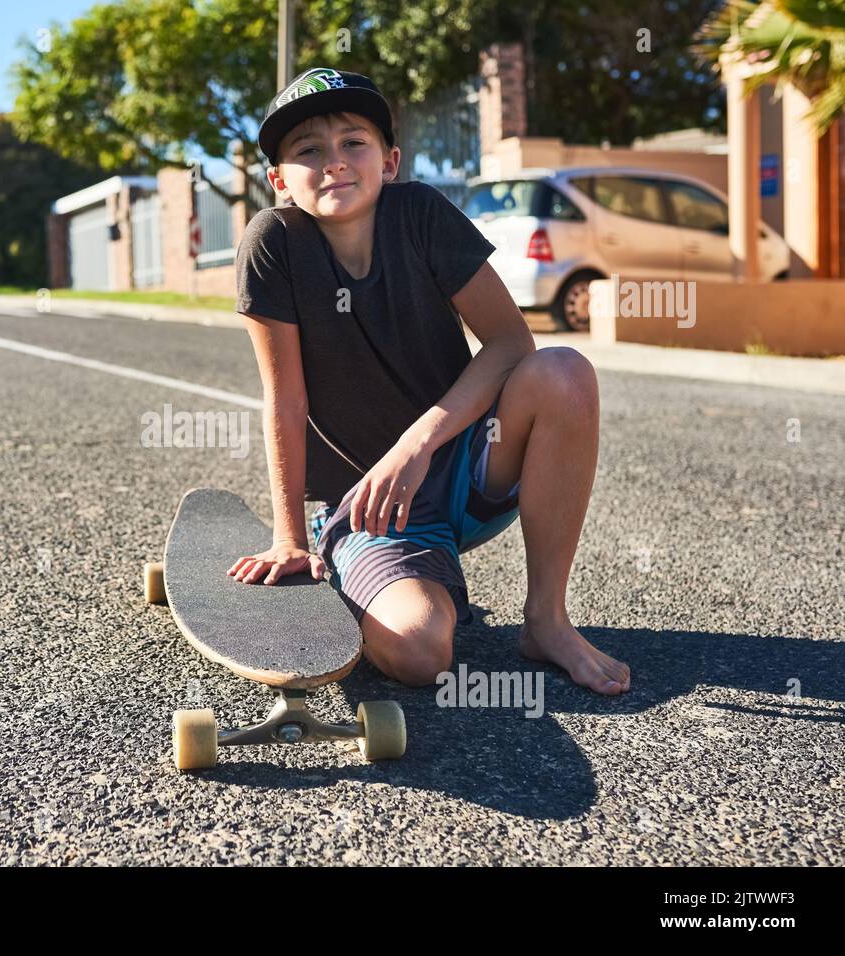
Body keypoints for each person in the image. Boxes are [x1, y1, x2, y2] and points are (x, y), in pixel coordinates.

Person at [228, 68, 630, 696]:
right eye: (309, 150)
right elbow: (285, 398)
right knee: (421, 654)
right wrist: (290, 540)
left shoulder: (419, 214)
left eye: (353, 142)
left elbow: (509, 342)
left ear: (388, 161)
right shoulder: (272, 243)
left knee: (563, 372)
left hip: (472, 467)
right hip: (374, 508)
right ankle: (374, 575)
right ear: (279, 179)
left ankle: (547, 620)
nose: (334, 161)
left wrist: (416, 446)